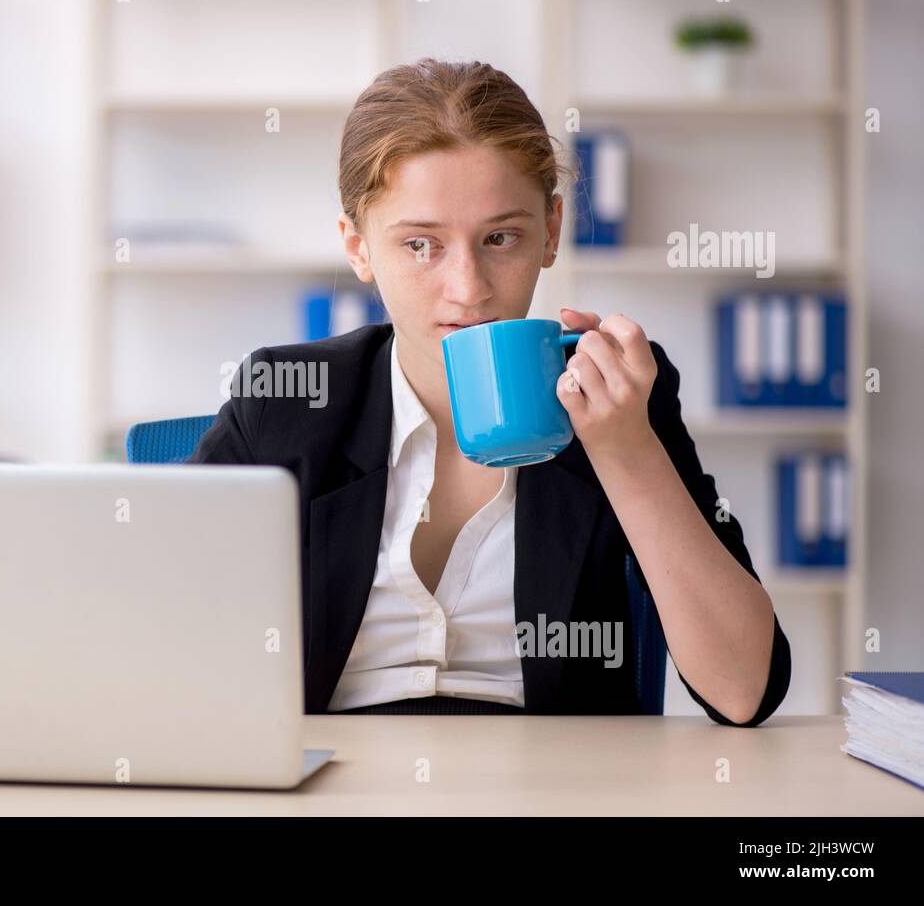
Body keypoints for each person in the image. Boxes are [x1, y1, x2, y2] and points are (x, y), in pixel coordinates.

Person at [189, 58, 790, 723]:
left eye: (500, 237)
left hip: (554, 787)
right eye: (422, 245)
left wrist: (627, 451)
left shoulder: (623, 394)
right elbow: (154, 623)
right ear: (358, 248)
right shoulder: (283, 399)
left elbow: (744, 688)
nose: (469, 288)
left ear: (551, 231)